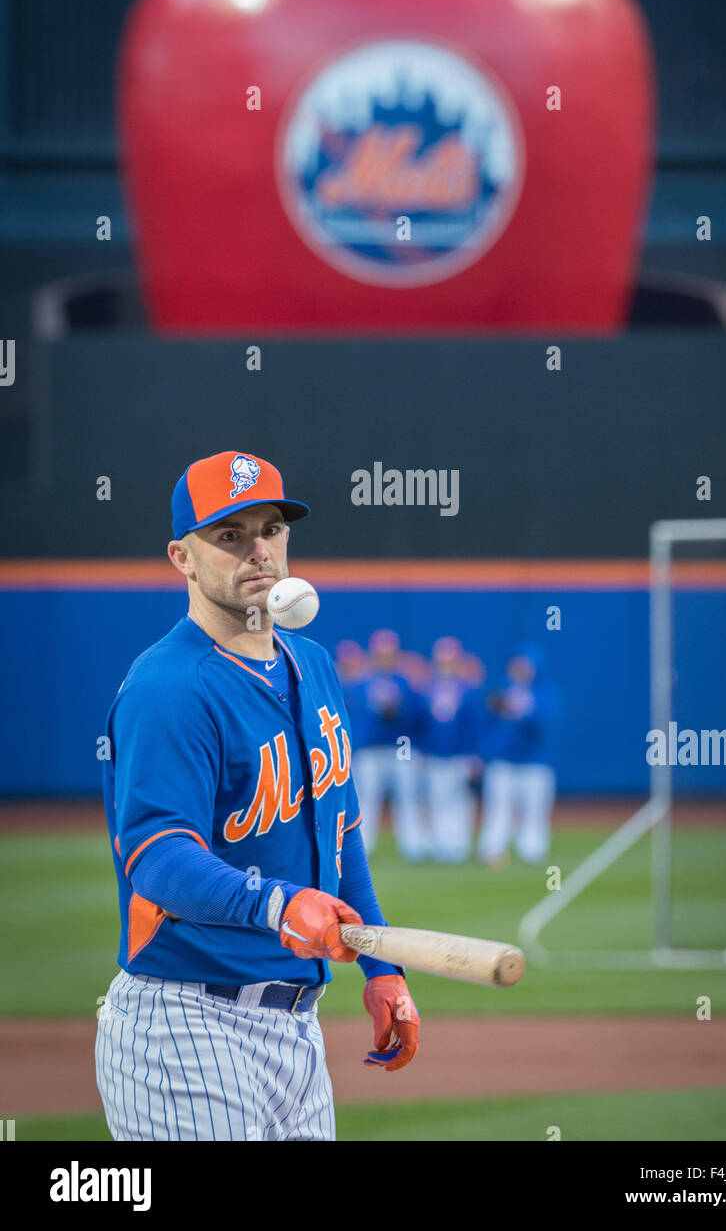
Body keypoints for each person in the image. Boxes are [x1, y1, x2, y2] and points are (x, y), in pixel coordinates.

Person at [95, 450, 420, 1142]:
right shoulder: (169, 687)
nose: (259, 551)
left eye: (270, 528)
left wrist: (381, 965)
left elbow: (342, 834)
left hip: (298, 1030)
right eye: (230, 535)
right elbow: (156, 857)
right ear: (182, 557)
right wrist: (276, 904)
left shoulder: (315, 664)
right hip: (185, 1027)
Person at [346, 630, 427, 861]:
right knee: (366, 798)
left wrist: (398, 711)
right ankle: (363, 848)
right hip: (370, 748)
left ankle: (414, 847)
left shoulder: (404, 682)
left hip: (399, 747)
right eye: (381, 652)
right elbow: (353, 717)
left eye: (388, 653)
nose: (384, 657)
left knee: (407, 796)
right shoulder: (361, 682)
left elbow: (416, 716)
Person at [478, 644, 559, 867]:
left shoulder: (544, 694)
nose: (521, 670)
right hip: (503, 762)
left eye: (526, 666)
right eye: (517, 665)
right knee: (498, 809)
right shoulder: (501, 690)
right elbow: (487, 727)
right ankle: (493, 849)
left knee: (534, 812)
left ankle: (532, 851)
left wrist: (520, 713)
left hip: (534, 763)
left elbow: (544, 725)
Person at [422, 636, 481, 863]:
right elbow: (420, 725)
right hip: (436, 756)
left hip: (461, 756)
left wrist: (475, 756)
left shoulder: (468, 690)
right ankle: (441, 844)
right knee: (437, 800)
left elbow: (475, 726)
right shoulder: (428, 690)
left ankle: (458, 845)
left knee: (461, 801)